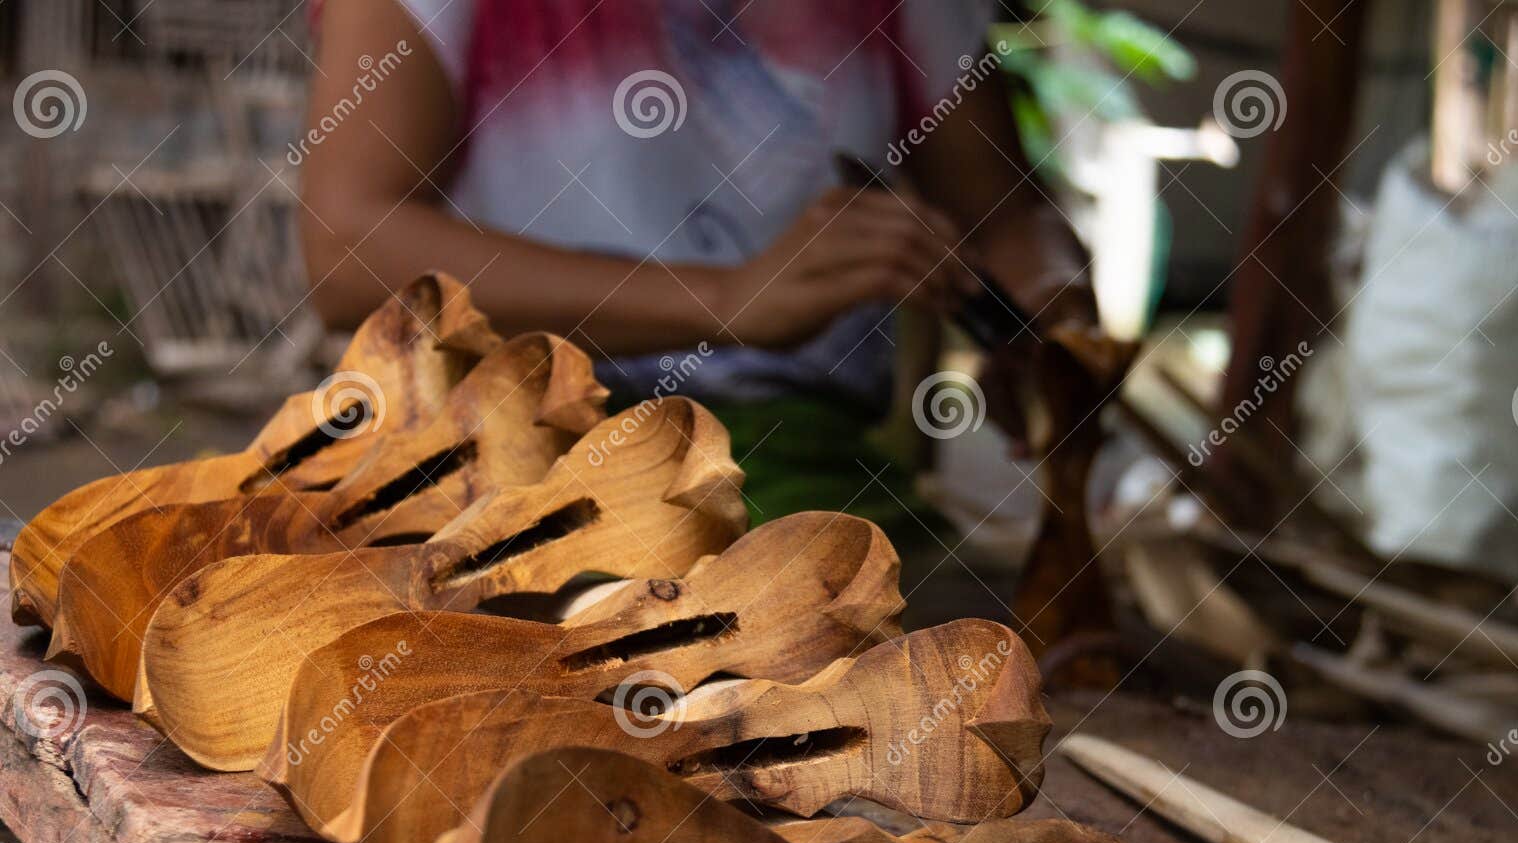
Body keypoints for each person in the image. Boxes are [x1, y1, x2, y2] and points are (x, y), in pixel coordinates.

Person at [300, 0, 1094, 527]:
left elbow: (1010, 216)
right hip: (505, 460)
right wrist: (724, 300)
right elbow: (347, 252)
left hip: (798, 470)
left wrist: (1055, 311)